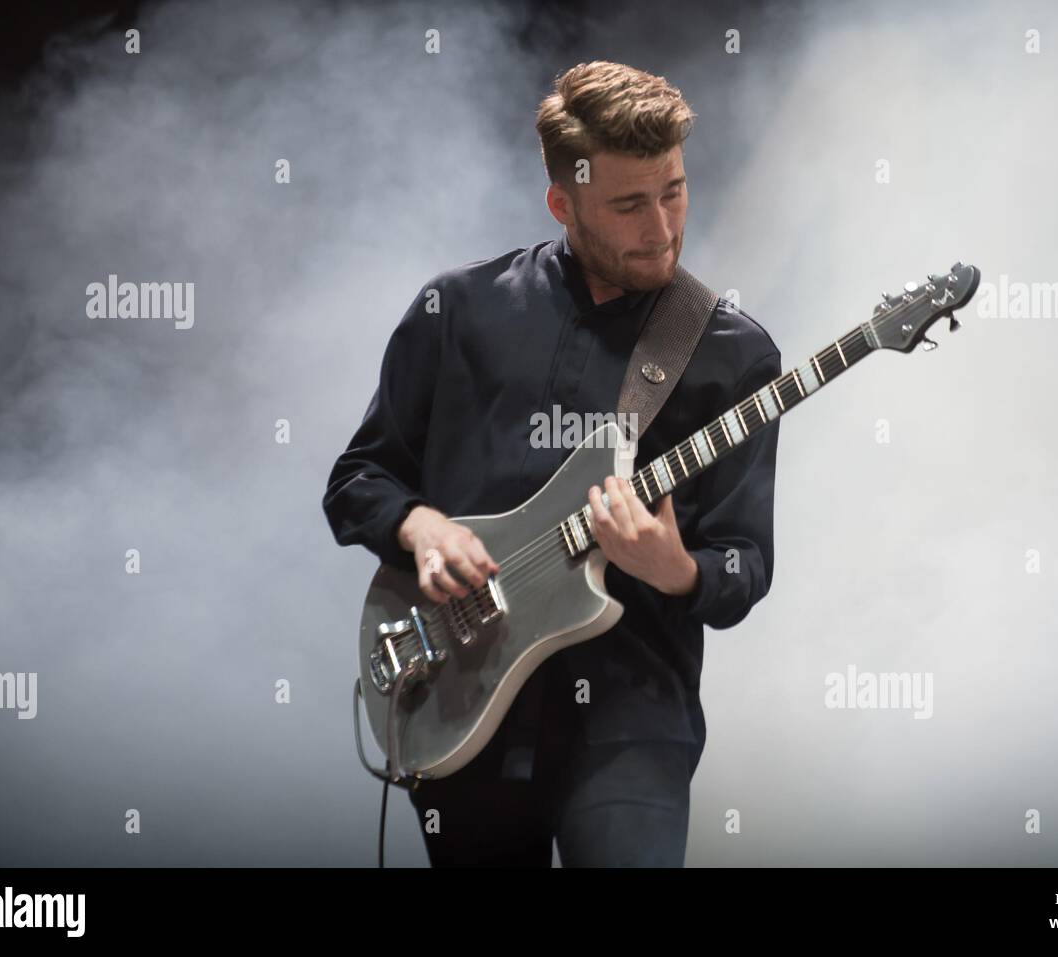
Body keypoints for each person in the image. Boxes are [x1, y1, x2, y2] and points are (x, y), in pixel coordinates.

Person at [323, 60, 781, 866]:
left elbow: (744, 564)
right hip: (461, 700)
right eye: (629, 204)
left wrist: (673, 568)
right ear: (562, 203)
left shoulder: (728, 353)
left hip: (632, 717)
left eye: (673, 190)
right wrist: (421, 526)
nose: (663, 226)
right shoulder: (458, 310)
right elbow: (357, 480)